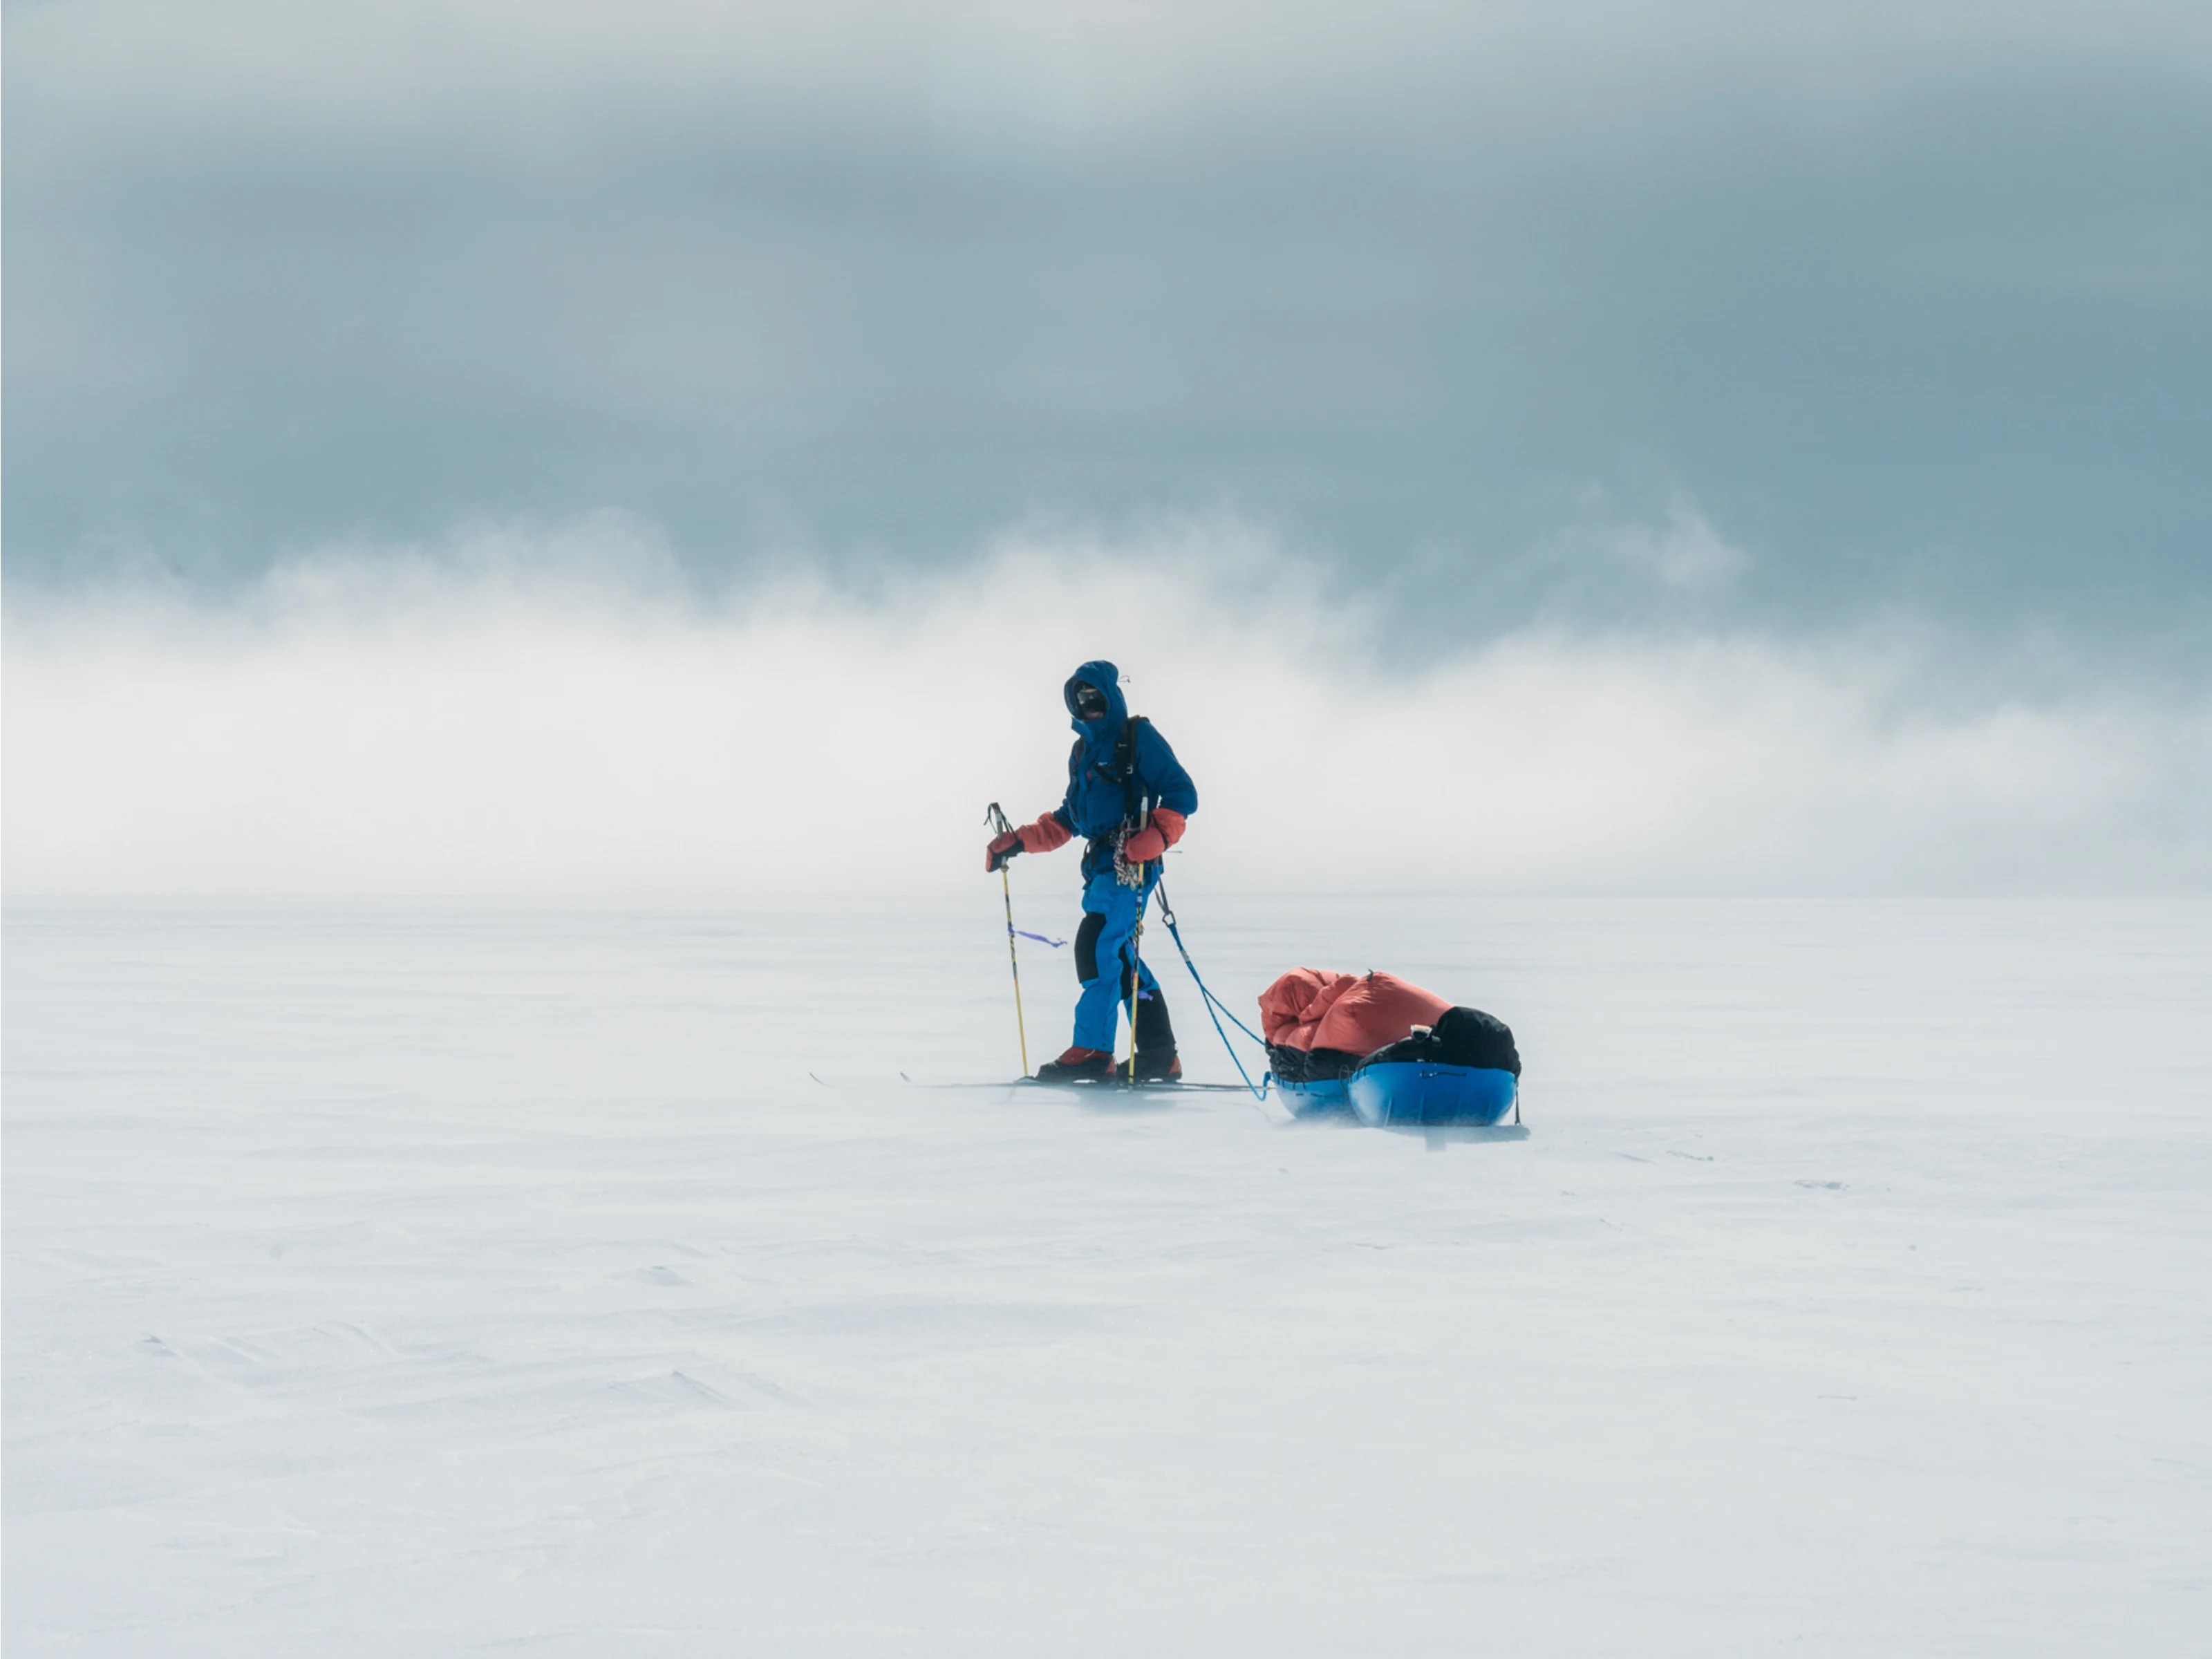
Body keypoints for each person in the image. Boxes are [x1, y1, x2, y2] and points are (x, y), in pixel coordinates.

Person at [984, 660, 1198, 1082]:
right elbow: (1071, 818)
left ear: (1110, 696)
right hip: (1102, 867)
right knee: (1118, 953)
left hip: (1131, 864)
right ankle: (1158, 1054)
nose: (1088, 706)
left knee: (1097, 944)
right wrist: (1020, 840)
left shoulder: (1137, 738)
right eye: (1080, 700)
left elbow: (1181, 791)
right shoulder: (1083, 751)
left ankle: (1095, 1051)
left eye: (1094, 698)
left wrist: (1158, 834)